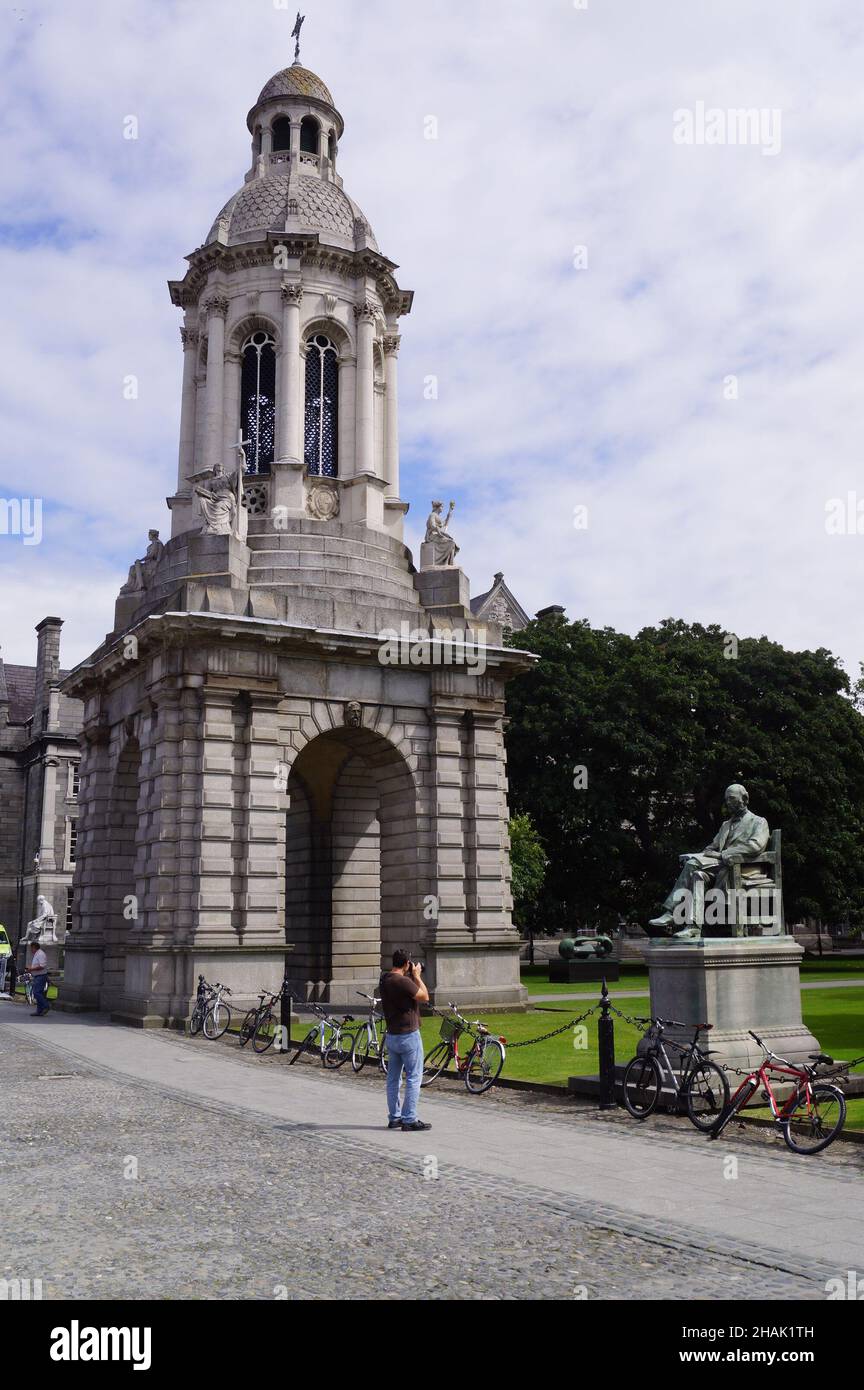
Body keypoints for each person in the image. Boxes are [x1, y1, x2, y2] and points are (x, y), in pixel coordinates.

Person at [379, 949, 430, 1132]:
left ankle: (394, 1117)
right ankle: (409, 1119)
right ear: (407, 964)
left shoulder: (385, 980)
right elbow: (425, 996)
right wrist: (417, 976)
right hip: (408, 1035)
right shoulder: (402, 981)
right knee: (414, 1077)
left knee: (393, 1079)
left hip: (392, 1035)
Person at [28, 945, 50, 1017]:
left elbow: (42, 966)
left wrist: (32, 969)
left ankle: (46, 1005)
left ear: (34, 947)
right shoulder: (37, 954)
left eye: (31, 948)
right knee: (38, 993)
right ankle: (39, 1011)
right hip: (38, 976)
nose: (31, 950)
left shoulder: (40, 954)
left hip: (41, 976)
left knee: (36, 992)